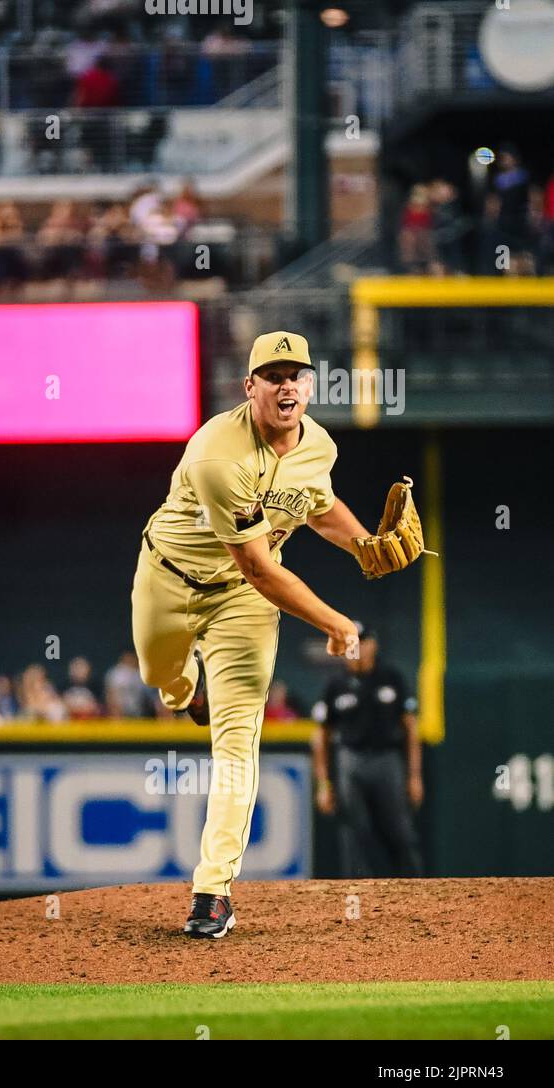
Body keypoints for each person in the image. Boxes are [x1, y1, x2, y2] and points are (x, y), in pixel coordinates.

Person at [131, 331, 421, 939]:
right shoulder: (219, 454)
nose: (286, 384)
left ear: (310, 385)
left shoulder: (319, 444)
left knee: (237, 747)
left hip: (241, 607)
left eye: (297, 374)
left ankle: (213, 891)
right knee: (159, 675)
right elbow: (262, 568)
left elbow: (316, 504)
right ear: (250, 388)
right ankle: (186, 692)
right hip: (170, 579)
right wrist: (337, 622)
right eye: (273, 374)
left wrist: (363, 542)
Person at [311, 625, 424, 878]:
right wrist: (322, 784)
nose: (358, 648)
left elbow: (411, 728)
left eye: (363, 642)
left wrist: (414, 776)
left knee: (399, 829)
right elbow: (320, 736)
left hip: (387, 760)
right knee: (354, 831)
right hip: (351, 760)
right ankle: (358, 898)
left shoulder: (391, 677)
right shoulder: (335, 684)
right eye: (352, 642)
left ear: (374, 644)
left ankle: (416, 891)